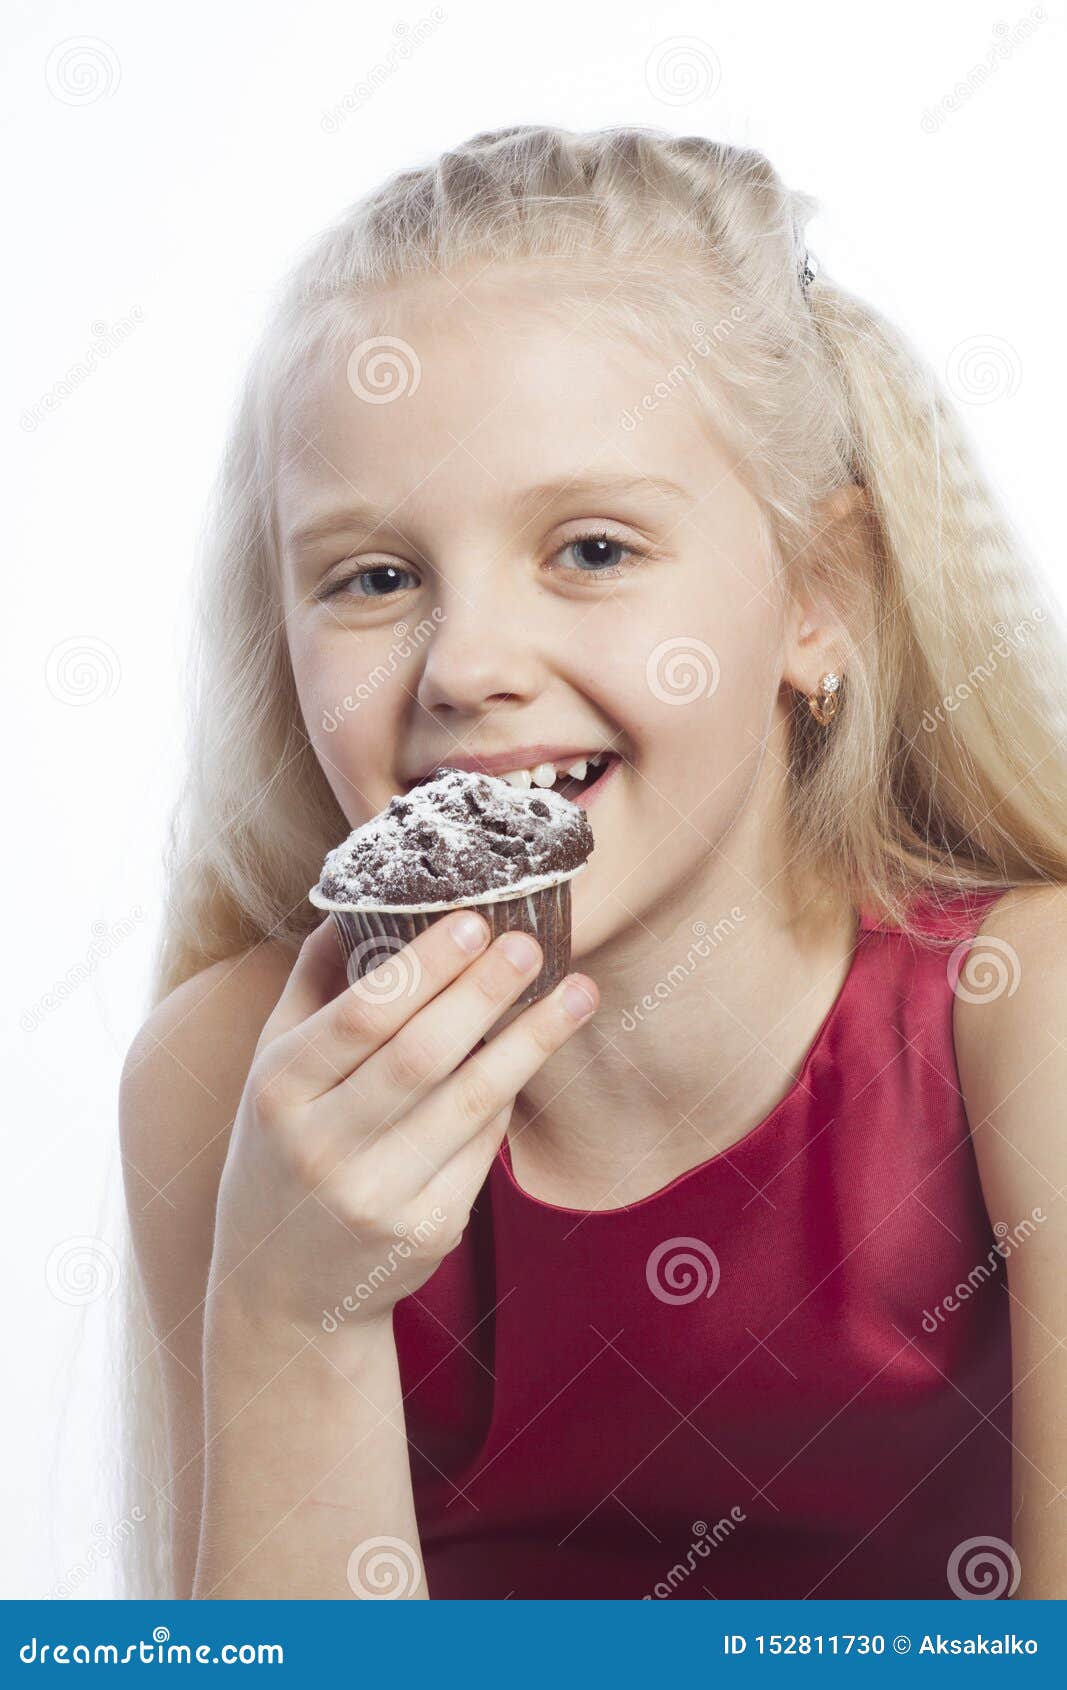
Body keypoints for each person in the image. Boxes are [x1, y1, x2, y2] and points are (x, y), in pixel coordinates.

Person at [118, 125, 1067, 1601]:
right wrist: (294, 1318)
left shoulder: (1031, 1018)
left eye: (594, 550)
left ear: (821, 600)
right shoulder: (230, 1078)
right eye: (374, 577)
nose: (470, 665)